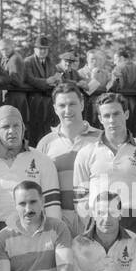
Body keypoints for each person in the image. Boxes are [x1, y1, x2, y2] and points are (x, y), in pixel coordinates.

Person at [73, 92, 136, 241]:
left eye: (116, 114)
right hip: (99, 223)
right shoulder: (86, 153)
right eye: (106, 116)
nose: (112, 120)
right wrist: (91, 223)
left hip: (134, 222)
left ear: (126, 114)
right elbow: (80, 196)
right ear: (100, 119)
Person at [0, 105, 62, 240]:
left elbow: (52, 206)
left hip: (33, 232)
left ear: (23, 128)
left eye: (16, 126)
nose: (12, 131)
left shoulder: (43, 160)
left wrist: (53, 238)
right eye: (5, 127)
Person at [36, 82, 101, 235]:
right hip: (58, 220)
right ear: (55, 108)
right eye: (62, 105)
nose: (67, 110)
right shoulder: (46, 143)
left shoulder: (101, 139)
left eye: (72, 104)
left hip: (95, 218)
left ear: (82, 104)